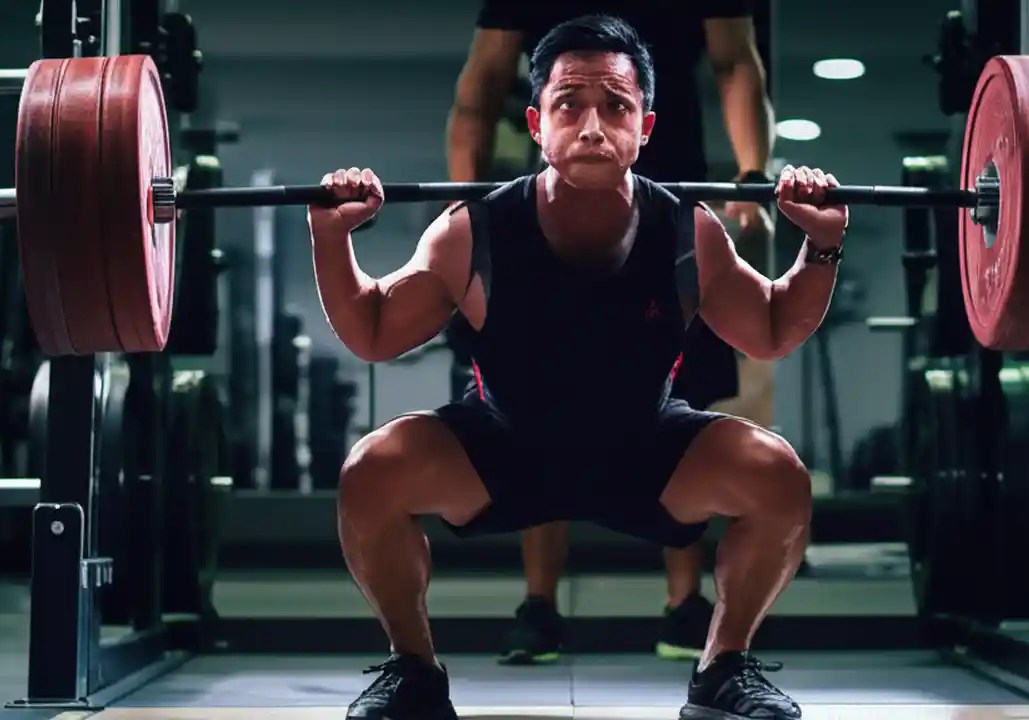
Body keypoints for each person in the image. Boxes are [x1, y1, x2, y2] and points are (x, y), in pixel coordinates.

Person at [311, 16, 845, 720]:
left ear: (646, 127)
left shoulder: (689, 231)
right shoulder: (473, 231)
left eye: (617, 107)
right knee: (371, 471)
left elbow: (773, 327)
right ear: (537, 122)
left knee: (776, 475)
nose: (592, 126)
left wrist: (821, 248)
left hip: (644, 453)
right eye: (569, 104)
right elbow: (374, 331)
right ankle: (413, 672)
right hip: (505, 452)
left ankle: (722, 671)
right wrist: (330, 238)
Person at [444, 0, 776, 665]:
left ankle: (683, 607)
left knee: (677, 402)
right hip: (549, 202)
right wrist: (470, 201)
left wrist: (751, 174)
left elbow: (735, 60)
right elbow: (481, 82)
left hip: (661, 197)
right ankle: (540, 606)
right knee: (530, 403)